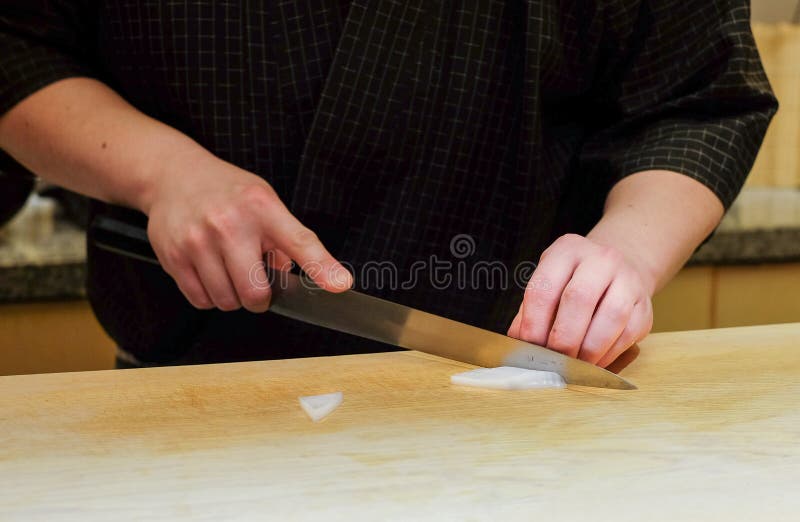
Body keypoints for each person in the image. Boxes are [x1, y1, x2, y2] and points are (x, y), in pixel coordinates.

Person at [0, 1, 776, 368]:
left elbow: (701, 98)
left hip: (513, 396)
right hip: (179, 397)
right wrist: (163, 172)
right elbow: (16, 45)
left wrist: (628, 252)